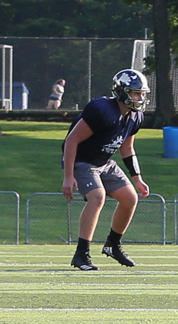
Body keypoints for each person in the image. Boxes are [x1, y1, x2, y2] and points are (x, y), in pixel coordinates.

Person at [61, 69, 151, 270]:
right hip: (82, 160)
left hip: (104, 162)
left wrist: (137, 178)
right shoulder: (102, 110)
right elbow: (71, 141)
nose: (140, 97)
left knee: (130, 198)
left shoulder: (135, 117)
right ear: (122, 92)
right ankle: (81, 254)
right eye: (135, 93)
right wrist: (68, 176)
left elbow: (127, 148)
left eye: (141, 93)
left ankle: (113, 245)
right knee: (97, 196)